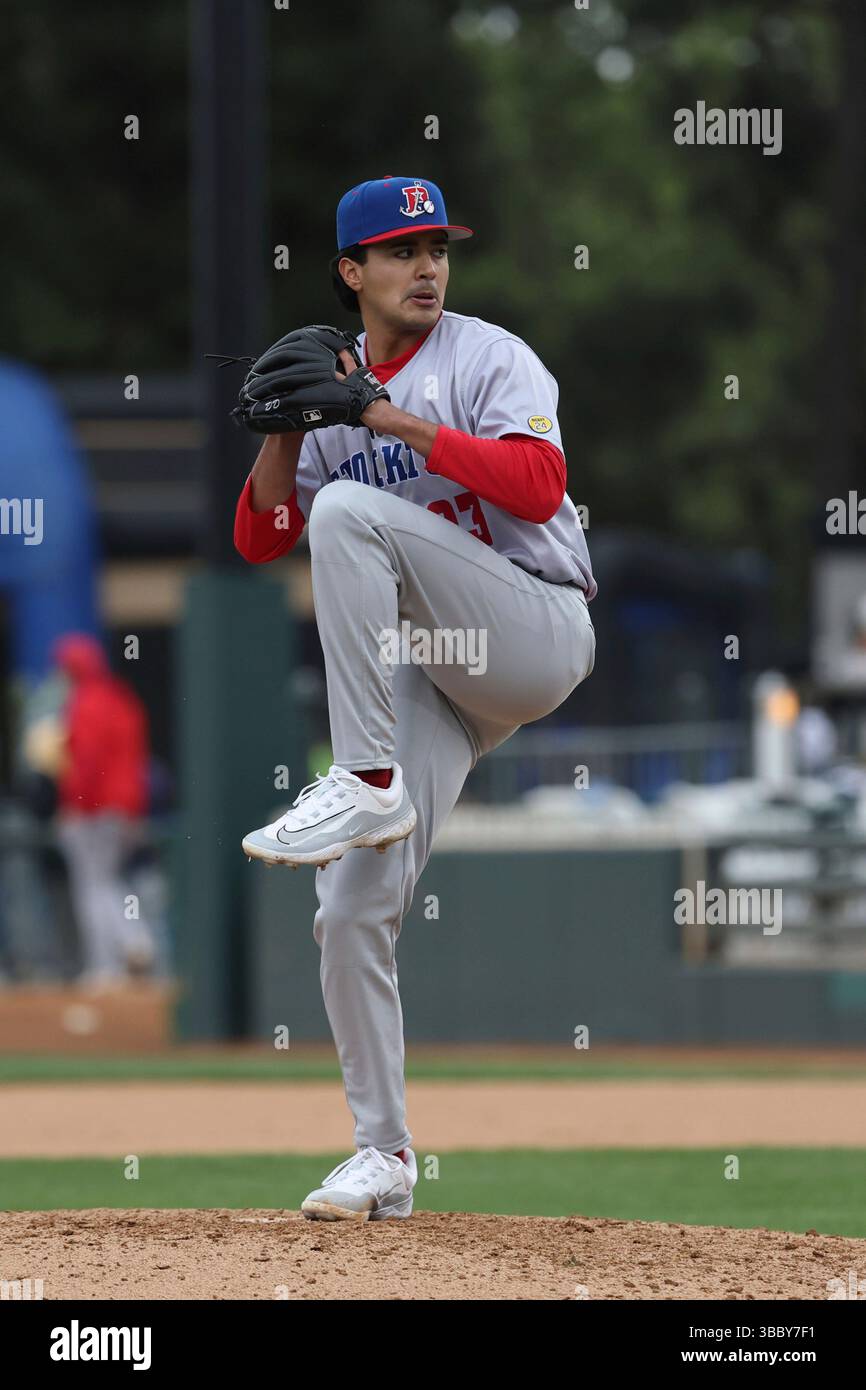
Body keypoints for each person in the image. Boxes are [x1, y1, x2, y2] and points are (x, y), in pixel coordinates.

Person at [233, 176, 596, 1221]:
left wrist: (377, 414)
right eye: (398, 251)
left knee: (350, 510)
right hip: (435, 672)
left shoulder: (486, 356)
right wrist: (286, 428)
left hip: (533, 627)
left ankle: (363, 773)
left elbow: (531, 485)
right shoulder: (339, 391)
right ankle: (383, 1154)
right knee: (344, 906)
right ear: (351, 272)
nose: (426, 265)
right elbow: (258, 538)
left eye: (435, 246)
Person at [53, 634, 154, 988]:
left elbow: (87, 762)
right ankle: (134, 939)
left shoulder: (86, 702)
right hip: (128, 806)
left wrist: (74, 805)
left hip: (95, 807)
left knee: (92, 885)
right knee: (106, 880)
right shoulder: (121, 698)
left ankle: (112, 959)